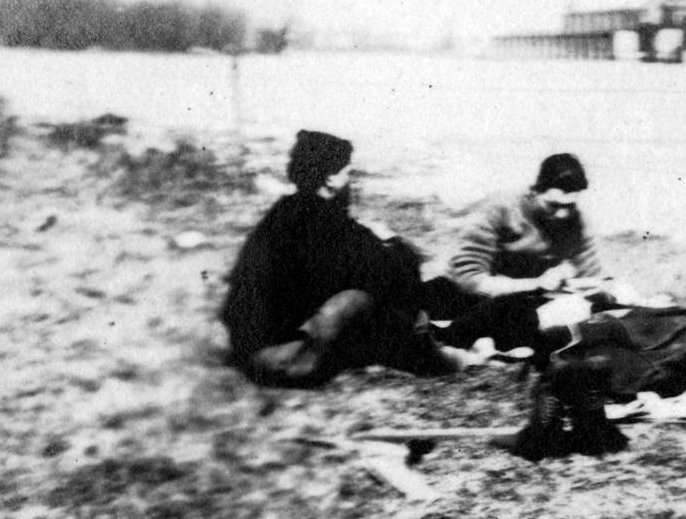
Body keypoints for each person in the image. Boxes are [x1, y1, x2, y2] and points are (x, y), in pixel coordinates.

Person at [220, 130, 462, 385]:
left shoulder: (278, 216)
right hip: (287, 361)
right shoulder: (327, 222)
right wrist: (390, 241)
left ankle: (442, 349)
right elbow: (399, 272)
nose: (351, 181)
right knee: (369, 302)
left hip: (248, 359)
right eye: (348, 173)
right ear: (331, 180)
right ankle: (446, 362)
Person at [425, 152, 610, 351]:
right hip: (475, 296)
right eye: (553, 205)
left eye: (569, 205)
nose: (562, 213)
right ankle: (444, 338)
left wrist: (579, 280)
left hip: (524, 306)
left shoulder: (577, 221)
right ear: (535, 192)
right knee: (430, 295)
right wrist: (535, 284)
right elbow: (469, 278)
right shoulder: (501, 209)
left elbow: (591, 277)